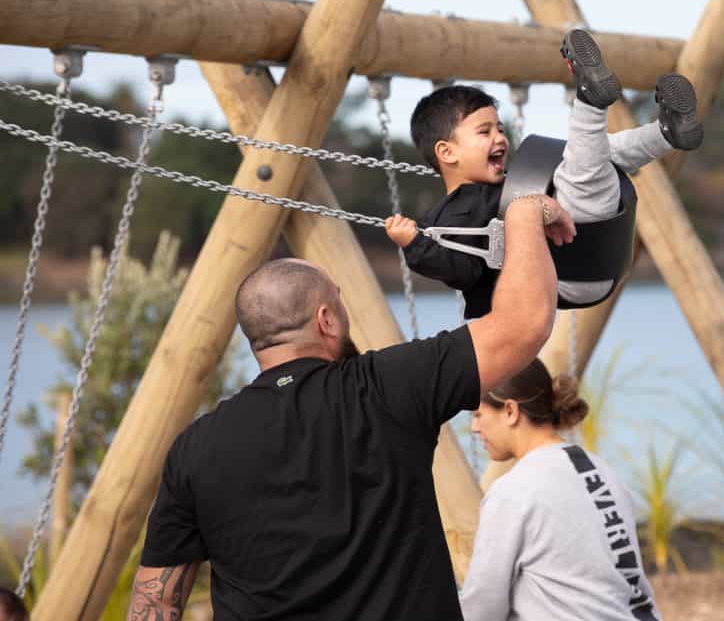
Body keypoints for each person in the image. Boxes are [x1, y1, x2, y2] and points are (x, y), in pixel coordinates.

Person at [127, 194, 575, 620]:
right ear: (326, 319)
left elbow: (157, 600)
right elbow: (524, 324)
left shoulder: (195, 448)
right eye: (340, 301)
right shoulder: (388, 386)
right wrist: (521, 213)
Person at [386, 28, 703, 319]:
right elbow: (462, 273)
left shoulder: (506, 184)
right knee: (581, 165)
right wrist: (413, 243)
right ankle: (590, 100)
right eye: (484, 132)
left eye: (499, 128)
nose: (500, 138)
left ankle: (667, 133)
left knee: (597, 153)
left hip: (595, 250)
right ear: (447, 152)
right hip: (567, 268)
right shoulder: (444, 219)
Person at [460, 359, 662, 621]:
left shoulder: (513, 491)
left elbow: (482, 610)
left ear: (510, 411)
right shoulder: (604, 472)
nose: (474, 428)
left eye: (478, 414)